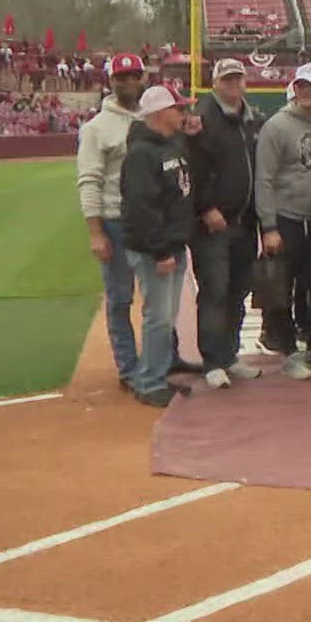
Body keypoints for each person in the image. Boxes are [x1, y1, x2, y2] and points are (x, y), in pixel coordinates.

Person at [255, 63, 311, 380]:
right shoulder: (276, 126)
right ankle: (290, 351)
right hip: (287, 217)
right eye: (301, 86)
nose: (306, 92)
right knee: (280, 288)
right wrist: (269, 226)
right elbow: (263, 178)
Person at [187, 57, 264, 389]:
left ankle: (230, 355)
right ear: (215, 82)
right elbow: (191, 168)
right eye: (227, 79)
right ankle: (212, 361)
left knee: (238, 291)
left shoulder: (252, 118)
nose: (233, 84)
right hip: (213, 223)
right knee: (214, 292)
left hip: (245, 221)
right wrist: (205, 207)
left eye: (238, 79)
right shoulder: (202, 117)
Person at [76, 54, 150, 390]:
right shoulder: (95, 128)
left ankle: (163, 356)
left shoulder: (152, 118)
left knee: (158, 297)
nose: (129, 83)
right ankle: (127, 367)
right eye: (122, 77)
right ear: (111, 82)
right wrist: (95, 232)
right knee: (121, 297)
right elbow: (88, 179)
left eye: (134, 76)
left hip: (151, 220)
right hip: (115, 221)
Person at [121, 85, 197, 407]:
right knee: (159, 318)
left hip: (173, 245)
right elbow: (141, 207)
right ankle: (149, 382)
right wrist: (160, 250)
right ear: (159, 113)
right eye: (177, 109)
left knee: (166, 317)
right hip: (155, 249)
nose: (183, 113)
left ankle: (159, 372)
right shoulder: (141, 153)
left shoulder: (170, 144)